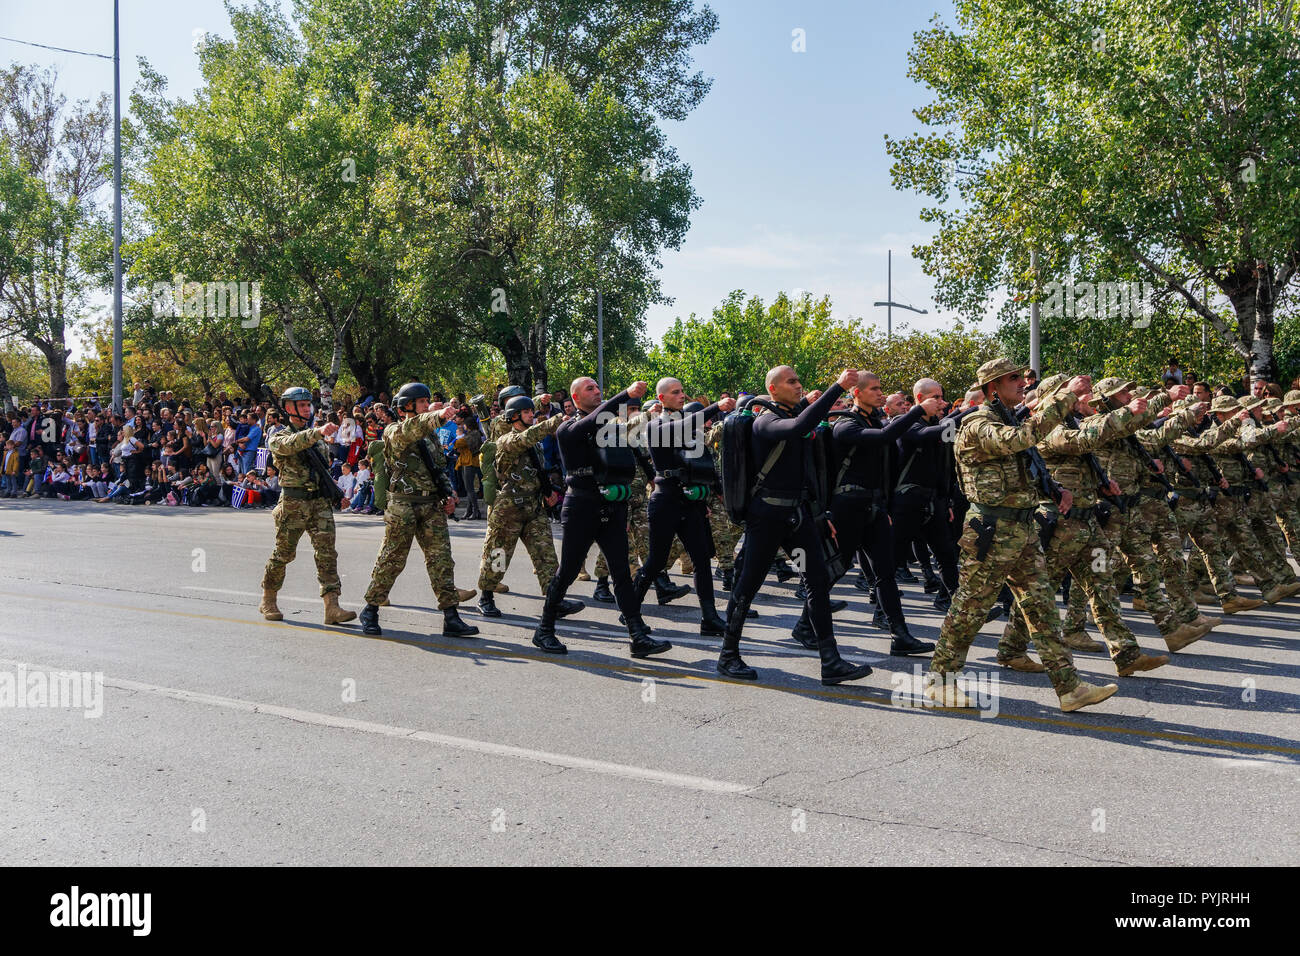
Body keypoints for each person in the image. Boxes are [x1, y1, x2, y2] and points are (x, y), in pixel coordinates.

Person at [928, 358, 1117, 712]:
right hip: (992, 531)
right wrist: (1064, 399)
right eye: (1012, 378)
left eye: (1019, 377)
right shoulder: (977, 424)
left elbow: (1027, 468)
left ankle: (1070, 687)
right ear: (992, 388)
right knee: (971, 607)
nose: (1020, 383)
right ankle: (941, 681)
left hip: (1023, 529)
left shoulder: (1009, 419)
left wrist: (1056, 488)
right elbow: (1020, 440)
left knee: (1042, 607)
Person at [720, 366, 875, 684]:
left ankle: (830, 661)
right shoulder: (766, 420)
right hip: (766, 519)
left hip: (796, 517)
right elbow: (798, 426)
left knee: (817, 583)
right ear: (773, 389)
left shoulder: (796, 416)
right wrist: (836, 388)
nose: (798, 384)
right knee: (747, 586)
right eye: (791, 381)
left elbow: (809, 470)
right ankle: (728, 655)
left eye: (798, 379)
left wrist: (821, 516)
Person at [531, 377, 669, 657]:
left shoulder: (611, 429)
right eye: (590, 389)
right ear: (575, 397)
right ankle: (544, 630)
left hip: (611, 506)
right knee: (568, 570)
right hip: (581, 506)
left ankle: (637, 635)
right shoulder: (567, 428)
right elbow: (588, 423)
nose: (596, 392)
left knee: (621, 572)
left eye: (597, 388)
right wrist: (624, 395)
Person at [358, 383, 478, 638]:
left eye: (426, 402)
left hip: (431, 505)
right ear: (406, 407)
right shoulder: (394, 430)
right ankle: (370, 610)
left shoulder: (430, 435)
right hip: (403, 504)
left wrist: (448, 495)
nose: (425, 405)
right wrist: (437, 415)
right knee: (392, 560)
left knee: (441, 560)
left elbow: (437, 468)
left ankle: (451, 616)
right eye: (421, 402)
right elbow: (413, 428)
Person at [628, 380, 737, 634]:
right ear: (661, 398)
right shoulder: (656, 425)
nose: (681, 396)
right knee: (655, 562)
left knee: (701, 559)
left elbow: (703, 464)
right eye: (675, 392)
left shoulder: (691, 431)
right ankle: (631, 609)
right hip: (665, 500)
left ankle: (709, 618)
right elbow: (680, 426)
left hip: (690, 501)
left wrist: (708, 497)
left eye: (682, 392)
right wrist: (714, 408)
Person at [476, 394, 583, 620]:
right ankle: (486, 596)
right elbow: (527, 437)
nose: (531, 416)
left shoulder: (533, 444)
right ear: (514, 417)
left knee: (546, 555)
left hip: (533, 506)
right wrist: (554, 421)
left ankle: (555, 600)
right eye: (526, 413)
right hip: (508, 509)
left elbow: (536, 470)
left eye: (531, 413)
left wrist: (547, 492)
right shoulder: (507, 440)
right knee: (498, 554)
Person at [259, 386, 359, 625]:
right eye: (302, 405)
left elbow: (322, 472)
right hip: (294, 503)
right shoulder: (278, 436)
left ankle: (332, 606)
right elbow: (291, 445)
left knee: (327, 554)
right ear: (289, 408)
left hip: (319, 503)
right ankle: (268, 598)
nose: (307, 408)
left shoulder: (318, 440)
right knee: (283, 553)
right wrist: (316, 433)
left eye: (308, 404)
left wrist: (336, 493)